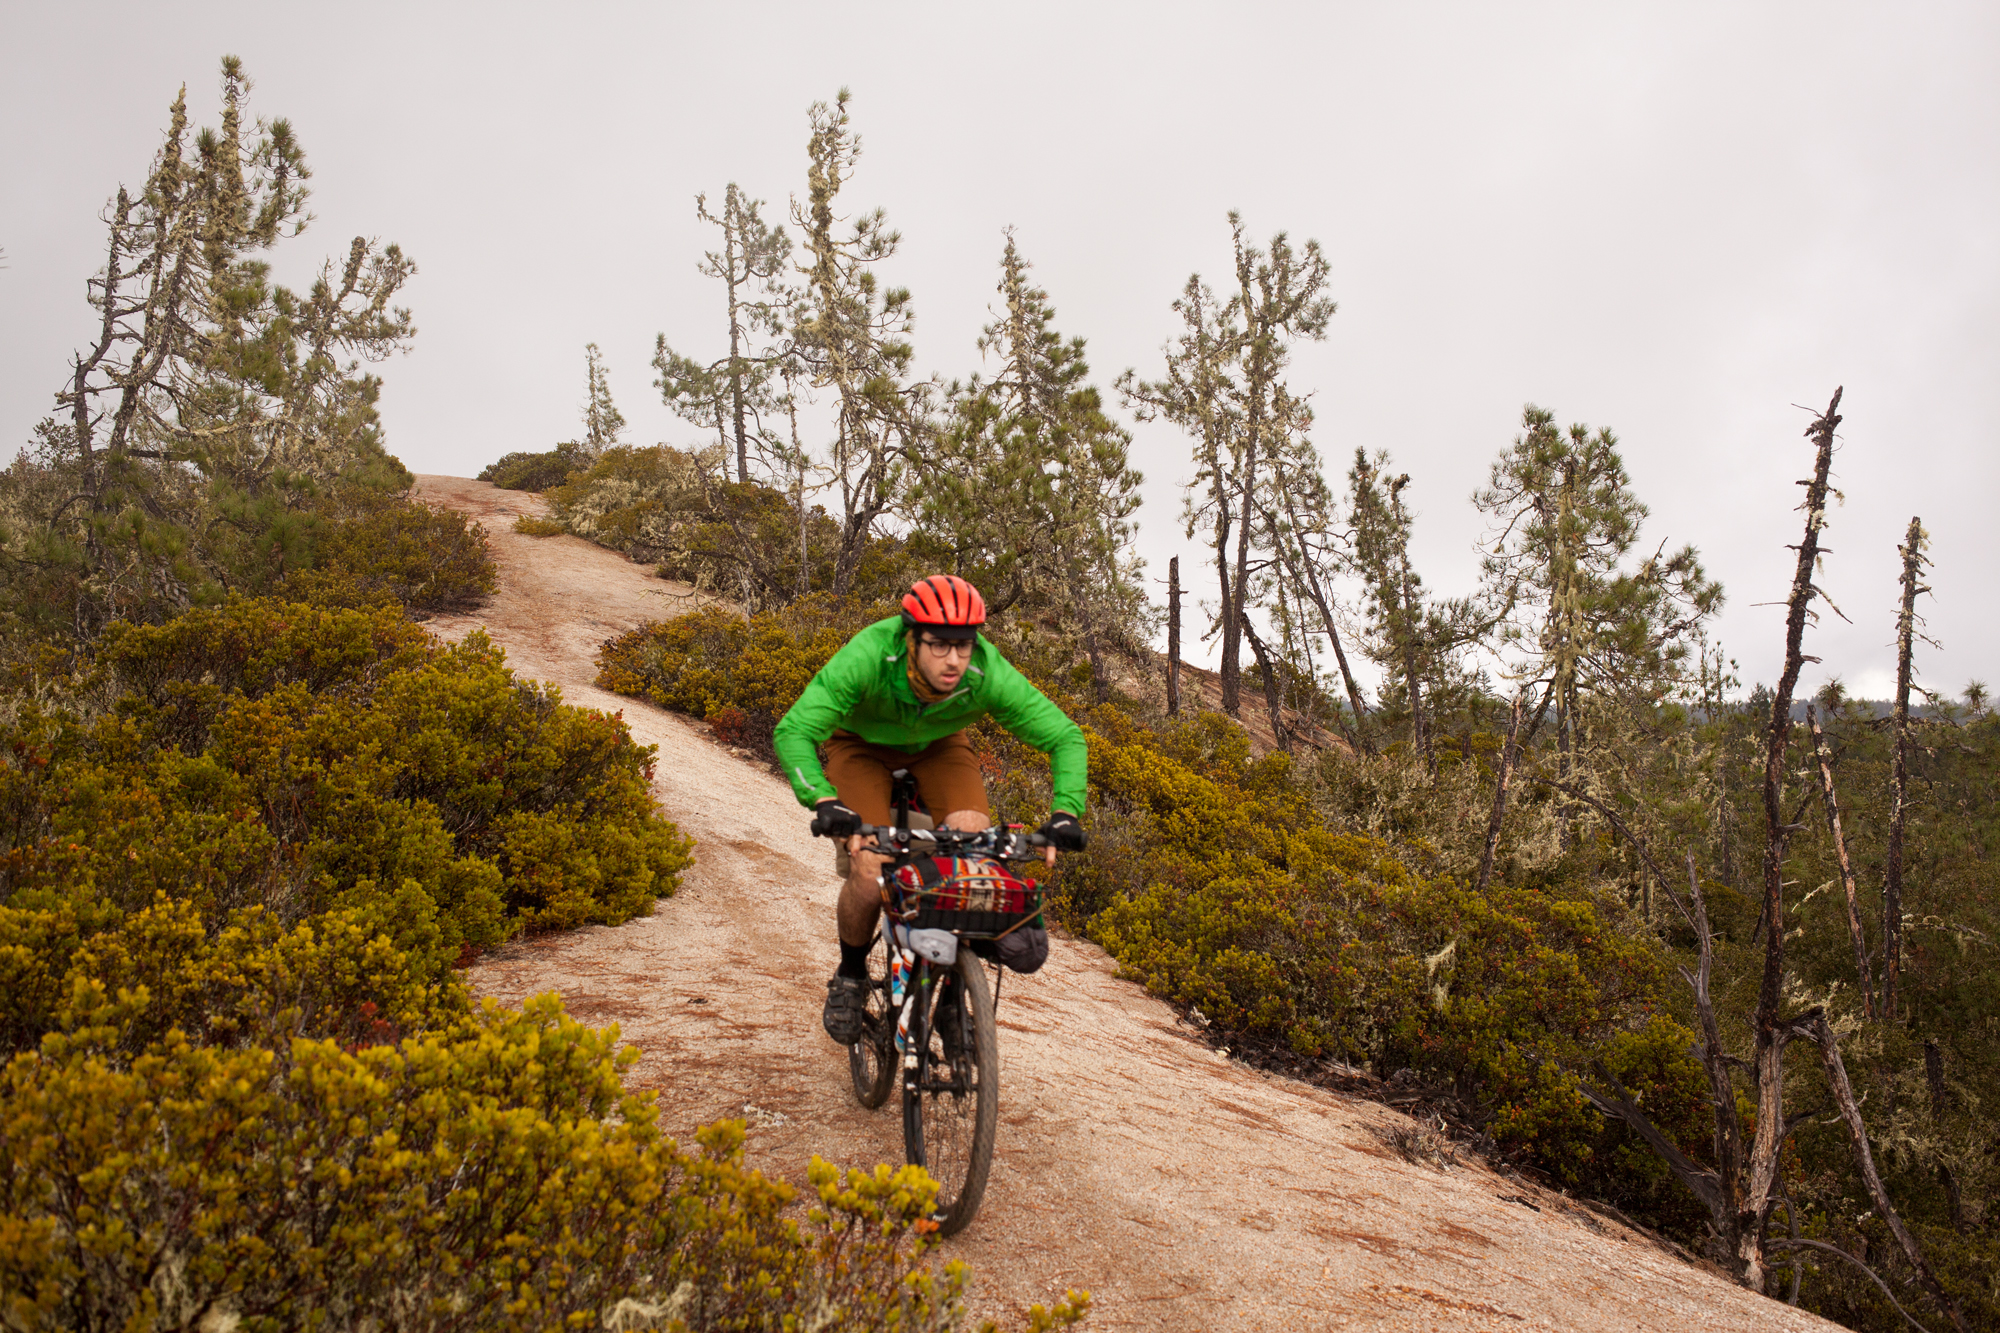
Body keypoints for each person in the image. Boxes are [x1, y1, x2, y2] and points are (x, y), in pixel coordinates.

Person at [773, 574, 1088, 1044]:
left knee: (973, 845)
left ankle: (952, 993)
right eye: (939, 645)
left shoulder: (985, 670)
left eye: (963, 645)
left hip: (941, 745)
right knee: (870, 866)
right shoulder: (870, 655)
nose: (954, 660)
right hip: (860, 744)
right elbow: (794, 730)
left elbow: (1064, 736)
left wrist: (1066, 811)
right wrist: (823, 799)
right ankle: (851, 976)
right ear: (912, 637)